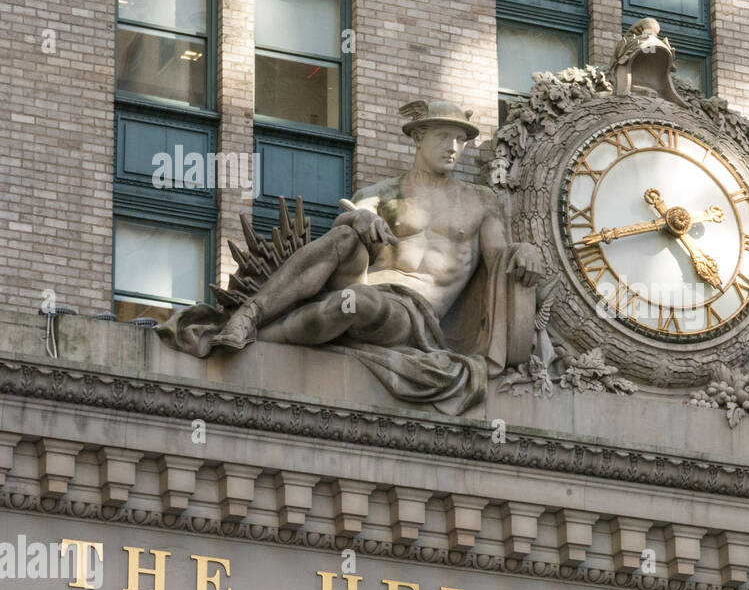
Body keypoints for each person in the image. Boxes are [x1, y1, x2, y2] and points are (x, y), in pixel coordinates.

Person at [160, 100, 542, 411]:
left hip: (412, 317)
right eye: (445, 137)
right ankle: (249, 316)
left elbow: (499, 258)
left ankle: (251, 340)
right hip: (360, 285)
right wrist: (359, 218)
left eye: (461, 140)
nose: (454, 148)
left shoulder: (480, 202)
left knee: (351, 302)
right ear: (419, 138)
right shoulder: (384, 192)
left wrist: (523, 250)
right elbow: (347, 222)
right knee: (345, 237)